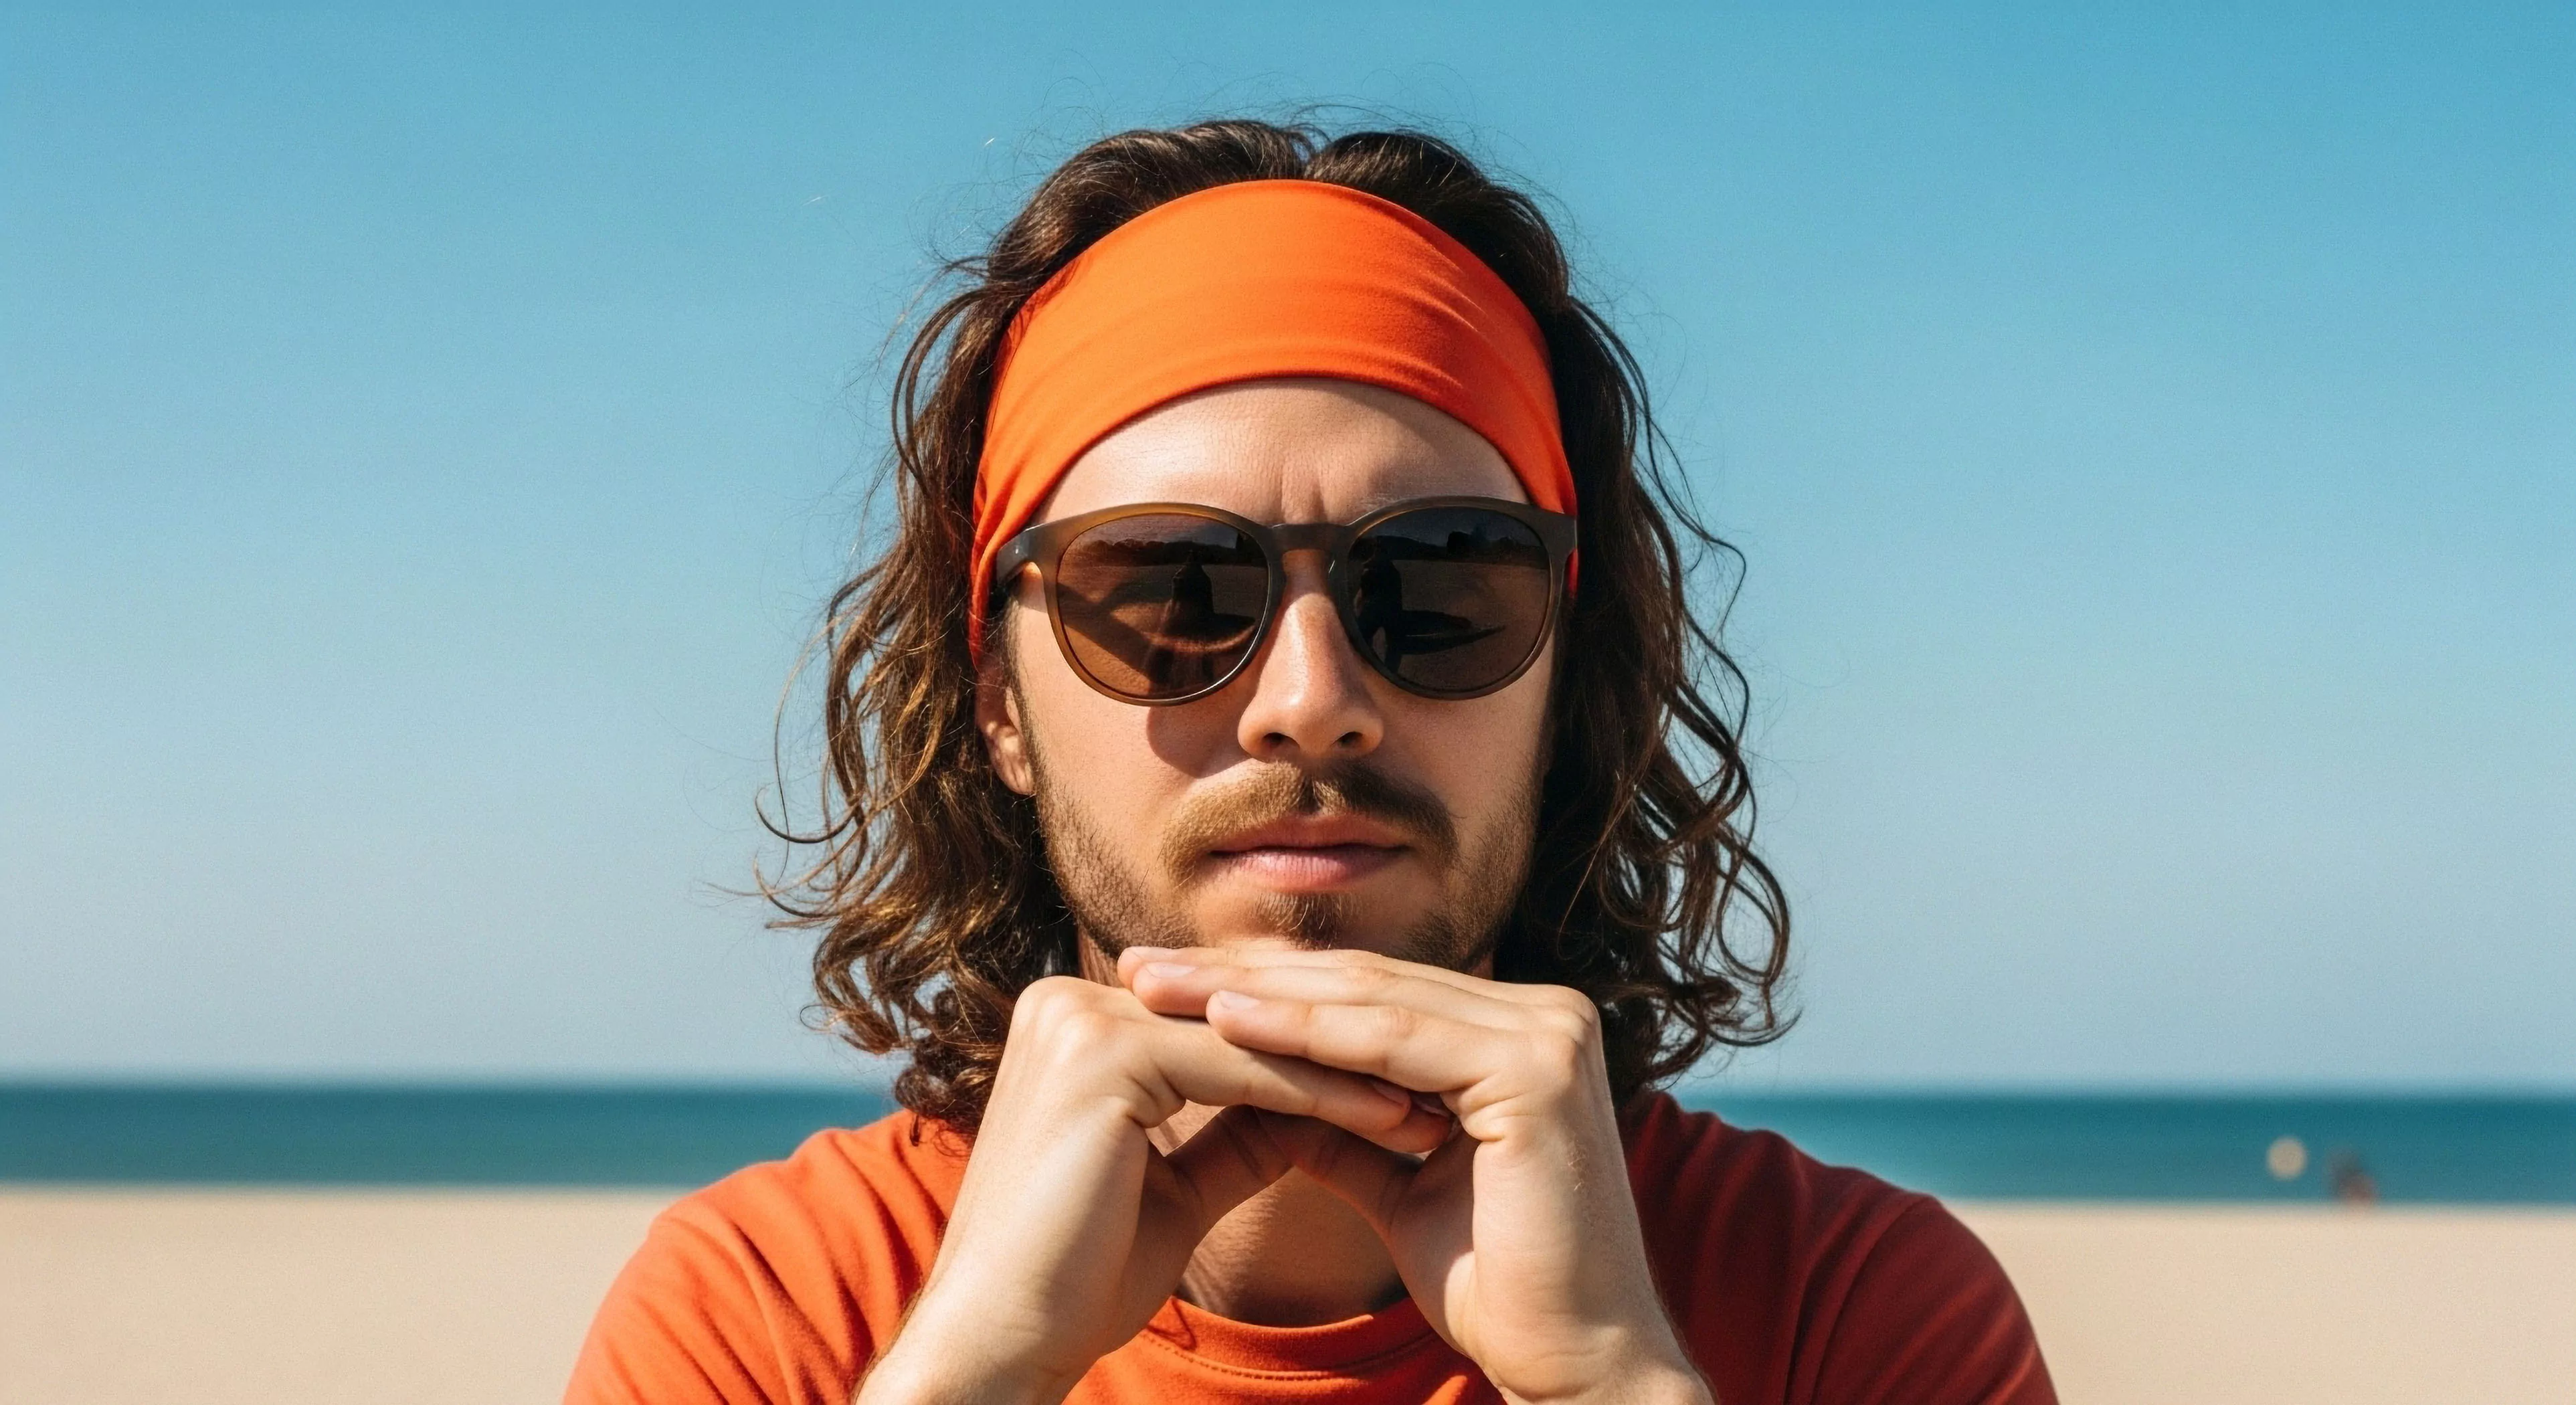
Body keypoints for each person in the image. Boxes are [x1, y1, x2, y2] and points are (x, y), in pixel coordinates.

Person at [567, 120, 2055, 1405]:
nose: (1309, 702)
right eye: (1161, 593)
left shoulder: (1845, 1309)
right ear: (999, 706)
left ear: (1565, 682)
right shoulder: (774, 1310)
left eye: (1443, 583)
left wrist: (1612, 1376)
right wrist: (972, 1372)